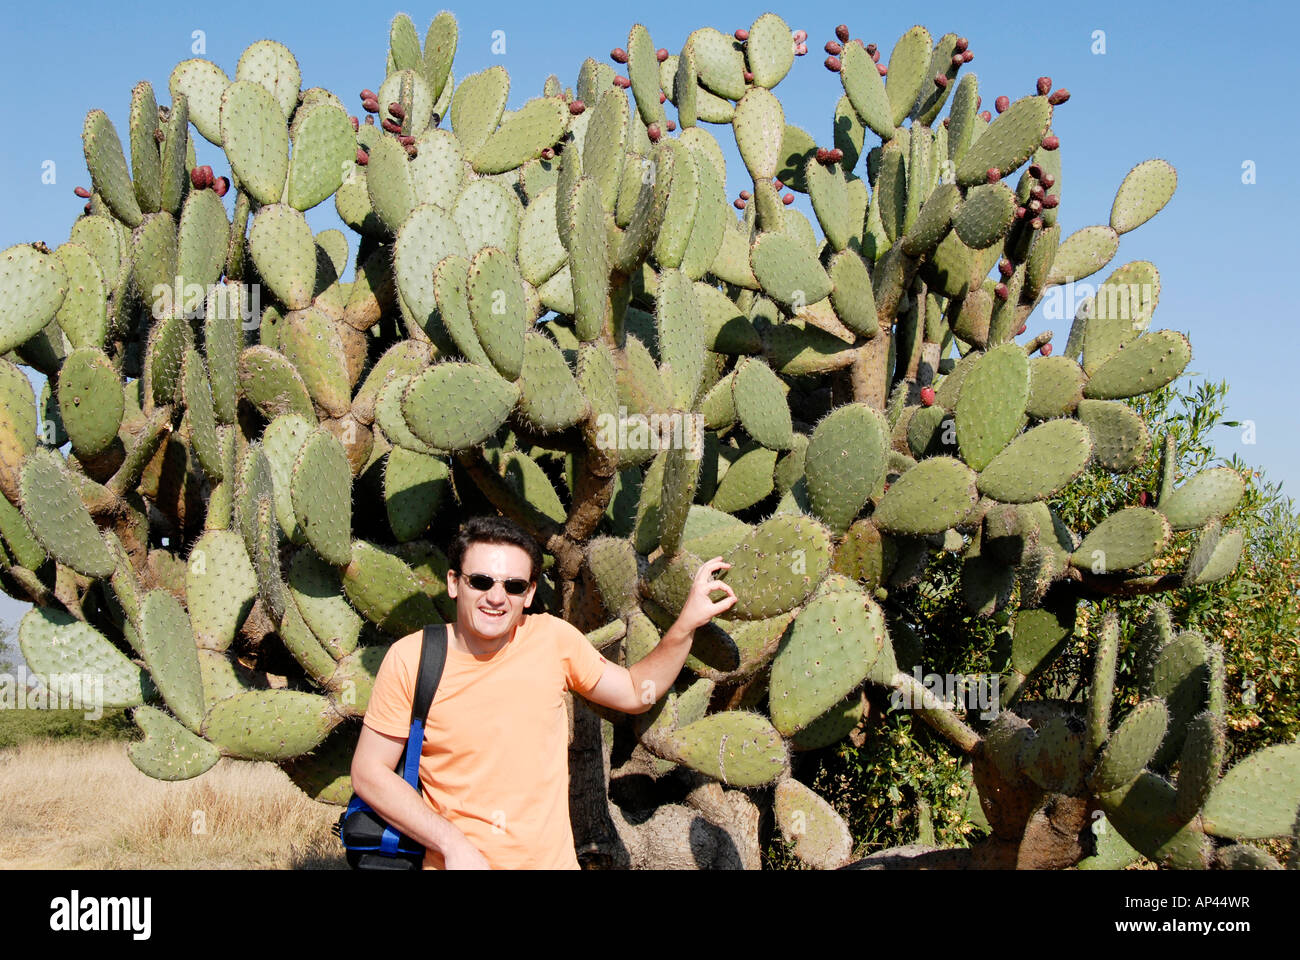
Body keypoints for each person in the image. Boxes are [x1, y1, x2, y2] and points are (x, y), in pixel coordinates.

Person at [350, 514, 737, 869]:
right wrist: (452, 844)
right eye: (481, 581)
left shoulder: (553, 640)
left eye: (513, 586)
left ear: (530, 593)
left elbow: (637, 691)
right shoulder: (413, 658)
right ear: (454, 583)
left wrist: (686, 623)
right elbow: (370, 772)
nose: (496, 597)